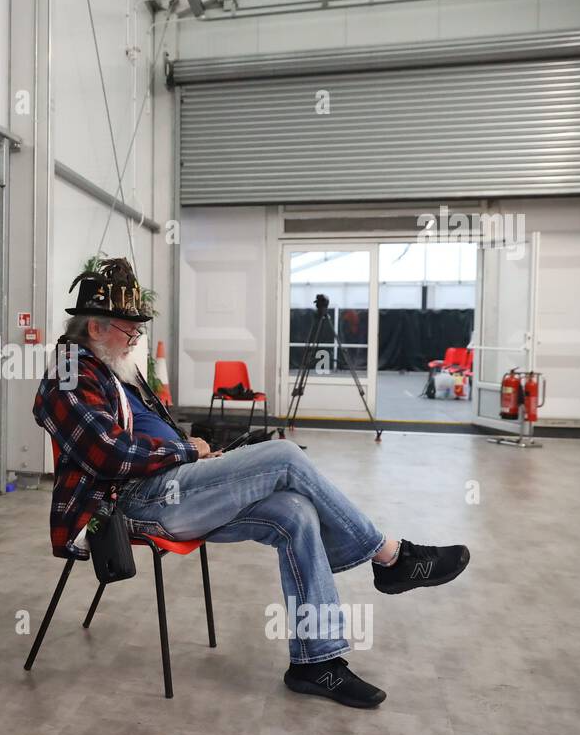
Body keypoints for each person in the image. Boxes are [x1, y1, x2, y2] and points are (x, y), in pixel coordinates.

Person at [33, 258, 470, 708]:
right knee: (282, 454)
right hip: (131, 503)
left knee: (295, 513)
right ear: (96, 328)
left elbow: (145, 434)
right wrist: (189, 452)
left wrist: (201, 454)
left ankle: (316, 663)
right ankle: (389, 556)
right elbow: (109, 454)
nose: (135, 340)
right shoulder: (68, 370)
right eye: (129, 330)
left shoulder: (115, 367)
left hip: (174, 486)